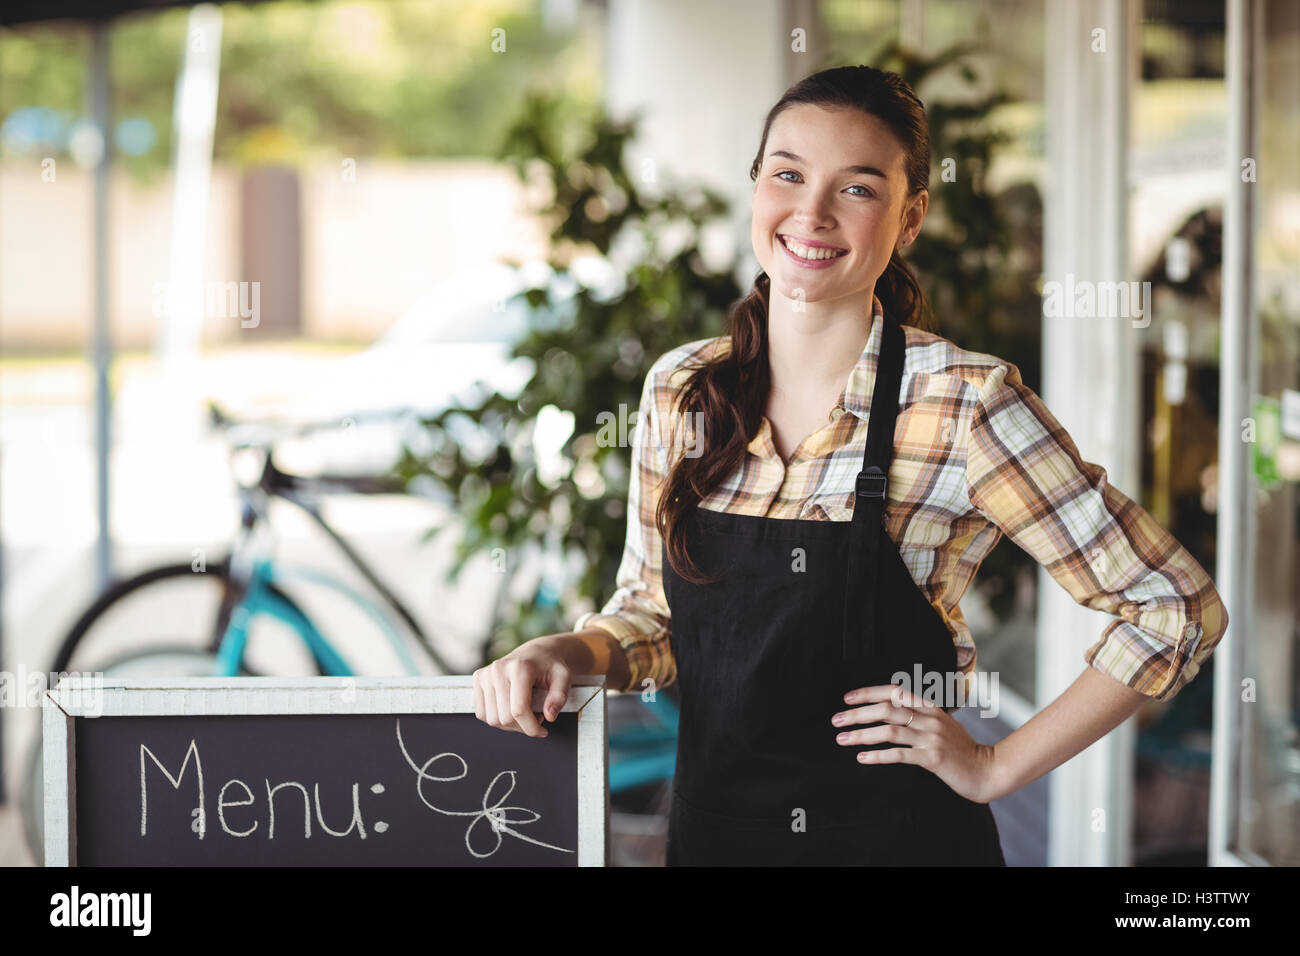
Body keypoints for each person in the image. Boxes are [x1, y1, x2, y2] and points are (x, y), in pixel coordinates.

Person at [471, 64, 1229, 866]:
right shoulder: (682, 391)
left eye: (858, 189)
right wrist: (570, 653)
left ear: (909, 220)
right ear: (756, 186)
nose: (813, 212)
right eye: (787, 174)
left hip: (900, 844)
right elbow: (653, 619)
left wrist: (995, 764)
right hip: (717, 840)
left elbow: (1174, 606)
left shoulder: (964, 405)